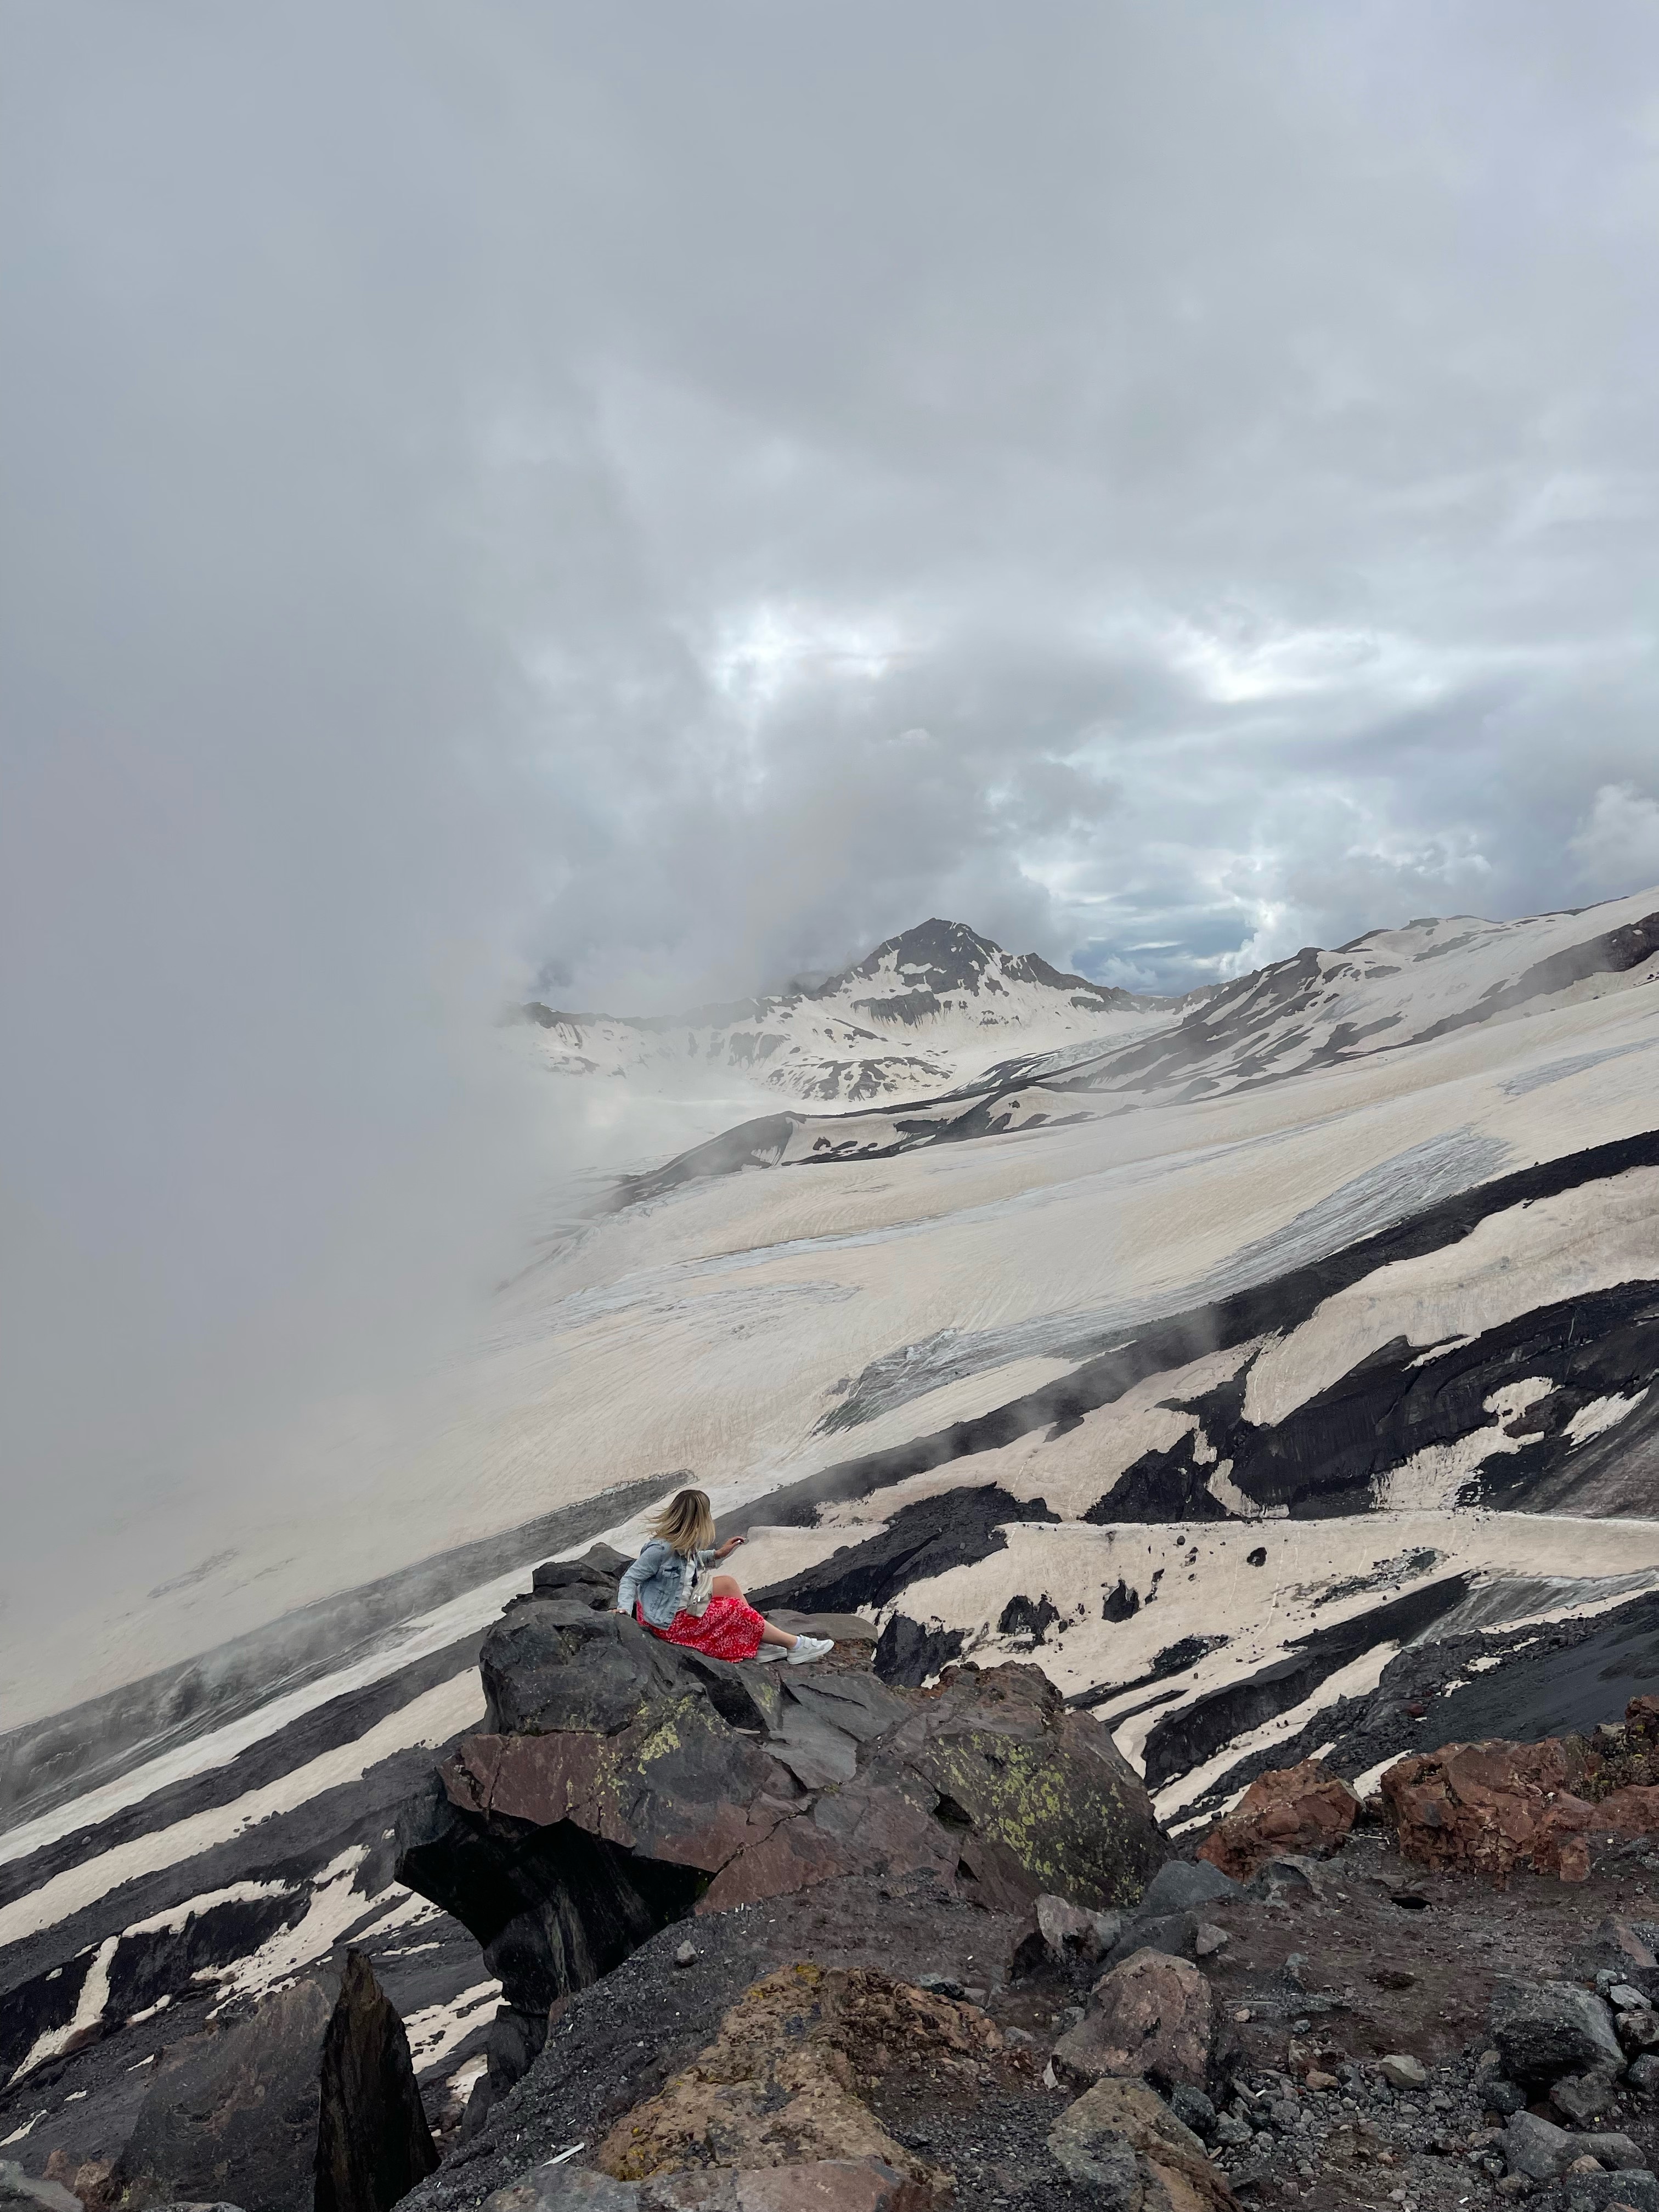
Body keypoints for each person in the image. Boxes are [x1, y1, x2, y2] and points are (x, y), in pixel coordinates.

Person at [616, 1488, 833, 1666]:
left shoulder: (681, 1542)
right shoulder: (660, 1550)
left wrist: (718, 1554)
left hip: (675, 1608)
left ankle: (759, 1641)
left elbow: (686, 1563)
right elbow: (630, 1578)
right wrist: (624, 1610)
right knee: (735, 1609)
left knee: (728, 1584)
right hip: (669, 1622)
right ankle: (796, 1646)